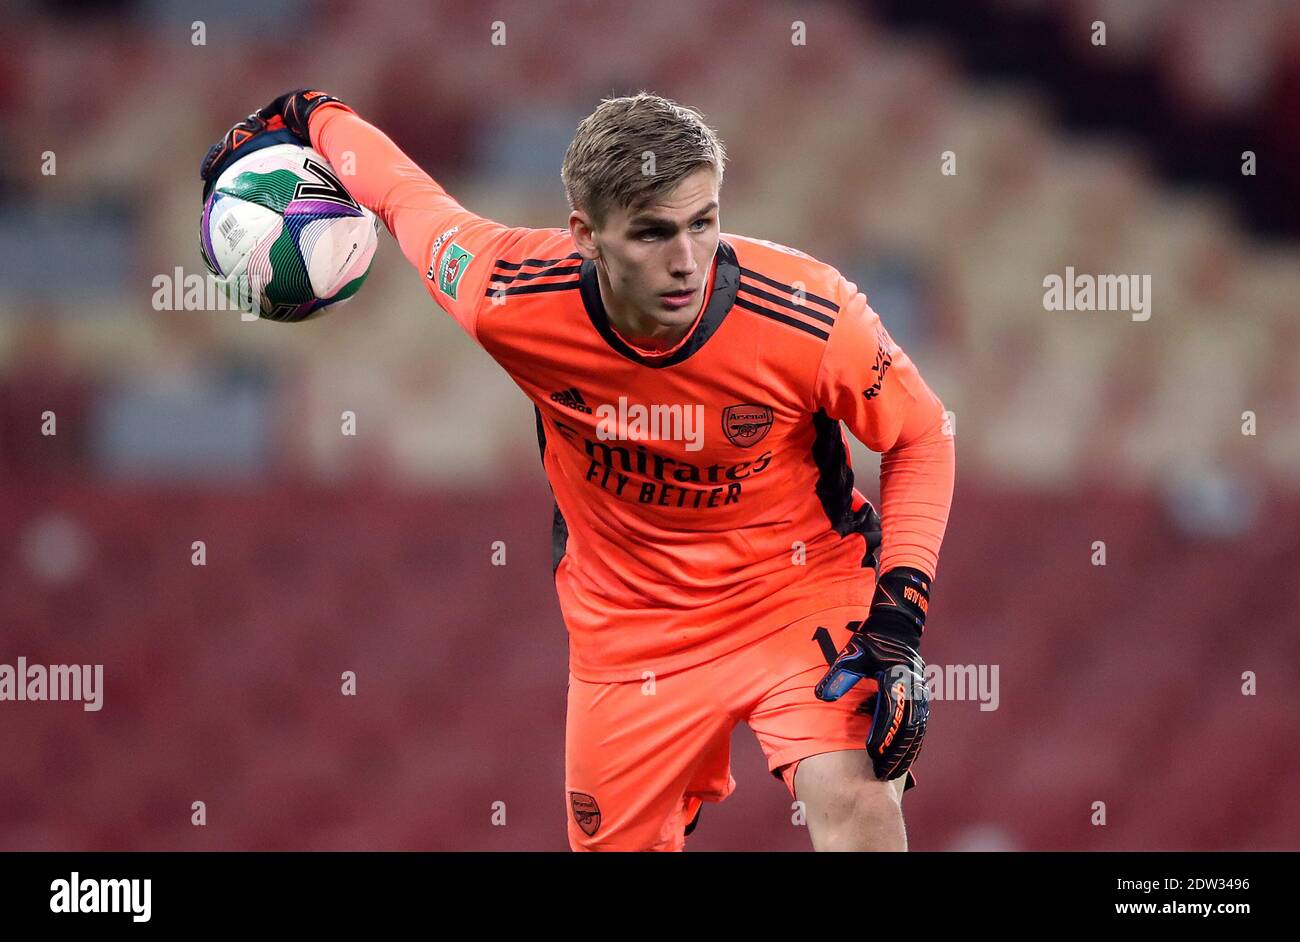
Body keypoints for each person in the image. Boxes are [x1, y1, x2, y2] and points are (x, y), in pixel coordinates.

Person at [200, 89, 956, 851]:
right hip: (628, 631)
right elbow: (401, 200)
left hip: (795, 593)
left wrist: (900, 617)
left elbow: (922, 434)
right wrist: (307, 113)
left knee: (858, 801)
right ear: (585, 236)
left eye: (703, 223)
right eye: (652, 233)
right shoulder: (505, 293)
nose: (686, 261)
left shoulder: (809, 314)